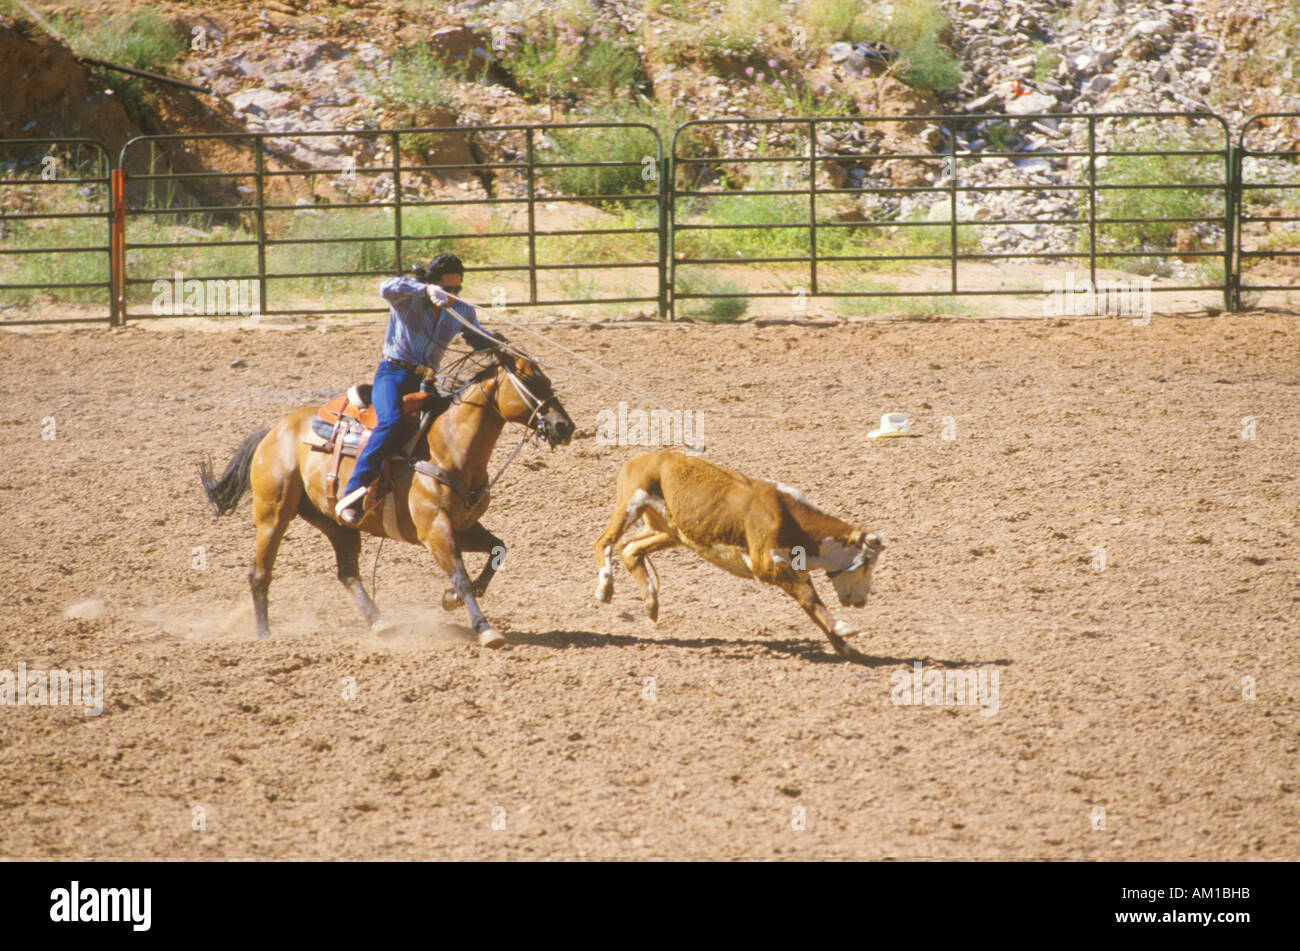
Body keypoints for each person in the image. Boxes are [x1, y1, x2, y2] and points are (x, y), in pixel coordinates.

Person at [335, 252, 500, 526]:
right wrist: (424, 289)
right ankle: (352, 492)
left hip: (427, 382)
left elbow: (476, 338)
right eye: (448, 289)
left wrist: (495, 341)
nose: (453, 294)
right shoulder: (408, 299)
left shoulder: (462, 311)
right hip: (392, 374)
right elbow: (385, 287)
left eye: (458, 289)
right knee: (390, 423)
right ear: (434, 284)